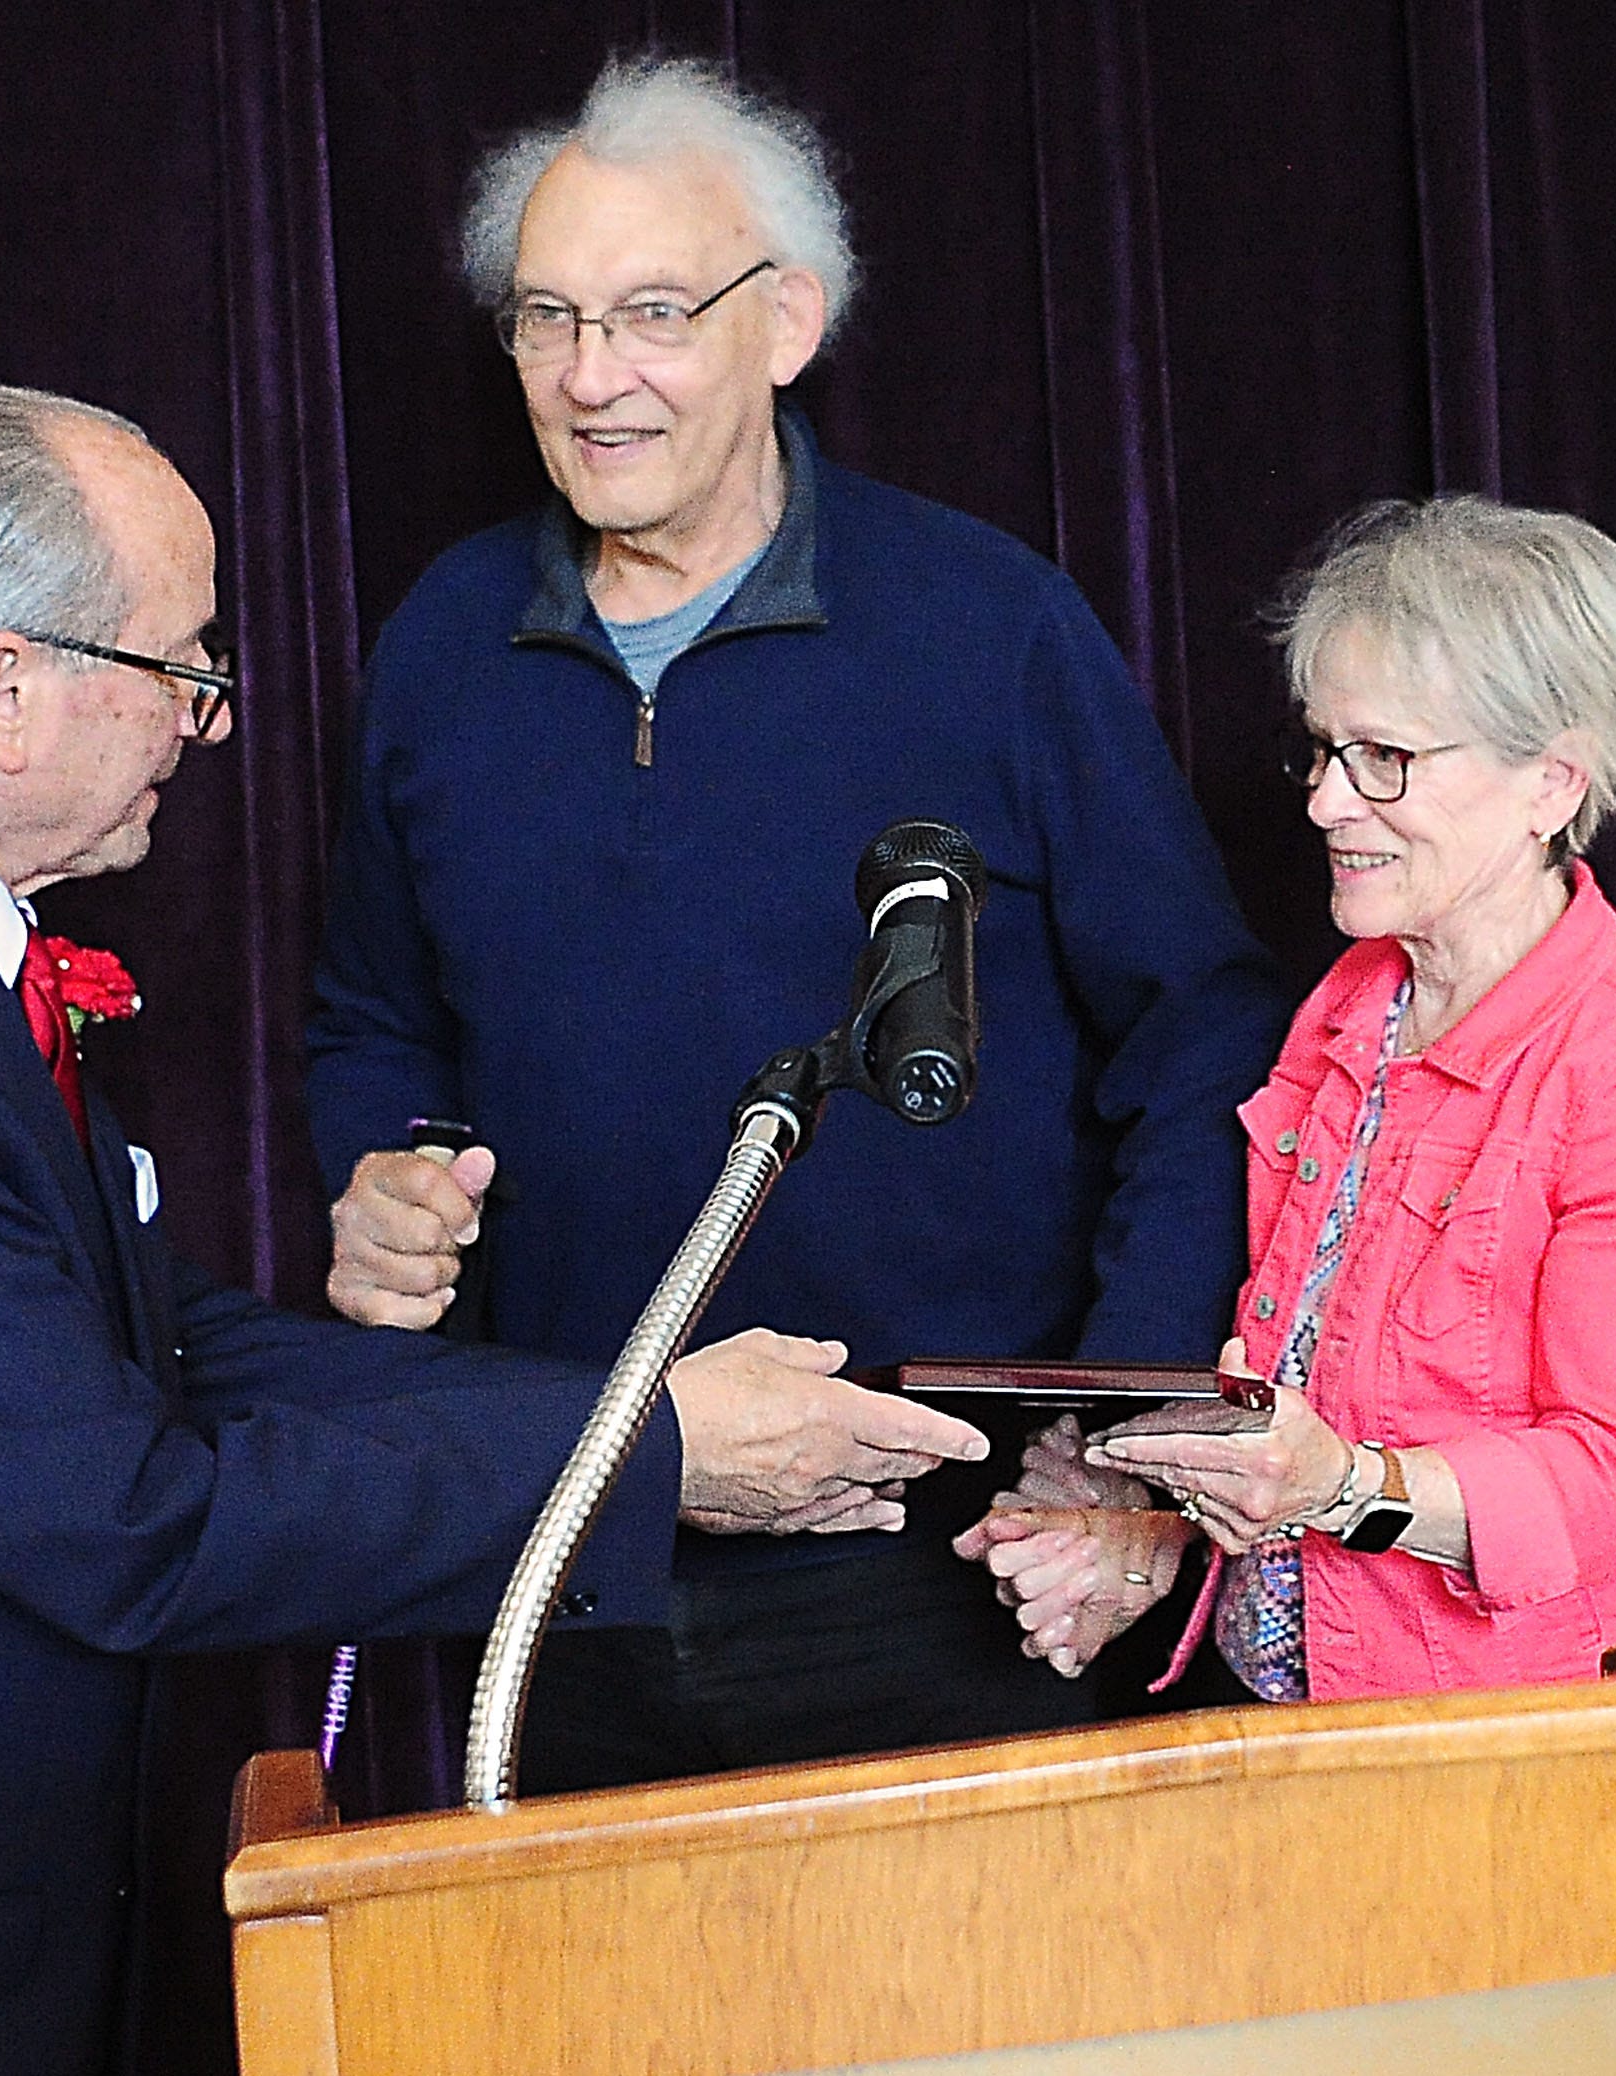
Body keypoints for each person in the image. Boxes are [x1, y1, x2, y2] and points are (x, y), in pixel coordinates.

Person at [0, 384, 988, 2076]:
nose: (208, 725)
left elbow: (168, 1346)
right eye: (185, 668)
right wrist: (650, 1465)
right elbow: (125, 1515)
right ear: (6, 693)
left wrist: (623, 1421)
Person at [308, 57, 1289, 1790]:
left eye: (653, 313)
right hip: (565, 1554)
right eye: (548, 319)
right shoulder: (438, 650)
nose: (593, 377)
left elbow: (1200, 1030)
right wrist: (382, 1175)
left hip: (944, 1581)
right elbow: (373, 1021)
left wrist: (1123, 1441)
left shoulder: (993, 627)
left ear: (789, 324)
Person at [966, 495, 1616, 1701]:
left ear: (1551, 782)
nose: (1322, 804)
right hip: (1301, 1731)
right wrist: (1147, 1528)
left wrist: (1340, 1488)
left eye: (1383, 760)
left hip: (1548, 1749)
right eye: (1321, 749)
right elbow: (1306, 1384)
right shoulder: (1351, 1003)